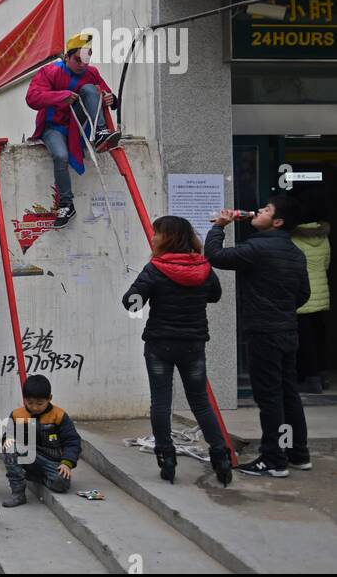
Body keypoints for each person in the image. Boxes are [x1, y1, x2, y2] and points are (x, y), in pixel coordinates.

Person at [121, 216, 233, 486]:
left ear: (167, 237)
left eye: (157, 233)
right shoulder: (203, 266)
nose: (153, 238)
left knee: (161, 401)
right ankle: (220, 456)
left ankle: (167, 458)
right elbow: (215, 295)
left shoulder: (156, 268)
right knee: (200, 402)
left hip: (160, 345)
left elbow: (132, 303)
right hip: (193, 345)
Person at [205, 194, 311, 477]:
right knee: (289, 393)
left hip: (263, 333)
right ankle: (299, 454)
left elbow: (215, 256)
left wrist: (219, 227)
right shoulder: (295, 252)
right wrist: (280, 311)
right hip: (287, 331)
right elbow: (304, 295)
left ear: (277, 222)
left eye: (266, 210)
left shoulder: (258, 248)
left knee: (269, 397)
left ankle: (273, 459)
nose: (259, 211)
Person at [25, 31, 120, 229]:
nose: (83, 64)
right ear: (67, 57)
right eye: (78, 59)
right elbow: (32, 99)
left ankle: (100, 132)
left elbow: (103, 92)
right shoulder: (50, 72)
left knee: (90, 89)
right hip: (54, 127)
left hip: (79, 125)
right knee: (60, 156)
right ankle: (66, 203)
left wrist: (111, 98)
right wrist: (61, 97)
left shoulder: (91, 73)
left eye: (87, 58)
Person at [0, 374, 81, 507]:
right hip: (27, 456)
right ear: (24, 399)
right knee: (9, 449)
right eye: (30, 403)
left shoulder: (59, 415)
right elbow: (8, 434)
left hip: (52, 460)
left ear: (49, 398)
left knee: (62, 484)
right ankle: (18, 493)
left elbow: (72, 441)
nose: (35, 407)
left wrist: (67, 463)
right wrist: (7, 440)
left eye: (40, 403)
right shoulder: (17, 415)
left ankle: (36, 477)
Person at [292, 214, 330, 394]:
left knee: (304, 340)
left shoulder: (294, 239)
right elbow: (326, 263)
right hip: (321, 294)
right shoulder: (323, 238)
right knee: (318, 337)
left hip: (303, 294)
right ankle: (322, 376)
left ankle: (311, 379)